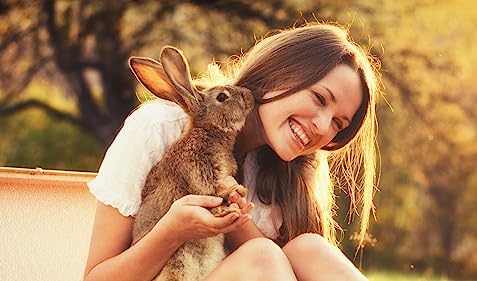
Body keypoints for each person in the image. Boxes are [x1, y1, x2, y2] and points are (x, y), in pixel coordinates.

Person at [83, 22, 381, 281]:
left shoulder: (295, 170)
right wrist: (174, 230)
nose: (322, 126)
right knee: (261, 256)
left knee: (309, 249)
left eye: (338, 124)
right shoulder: (160, 127)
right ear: (279, 73)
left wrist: (236, 220)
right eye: (319, 98)